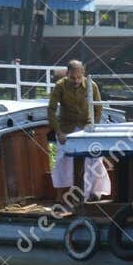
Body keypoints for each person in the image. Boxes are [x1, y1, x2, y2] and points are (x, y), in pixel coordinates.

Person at [48, 60, 109, 200]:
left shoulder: (91, 85)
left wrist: (93, 127)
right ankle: (60, 195)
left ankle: (95, 193)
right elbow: (51, 110)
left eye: (78, 77)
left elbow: (98, 108)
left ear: (83, 73)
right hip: (66, 127)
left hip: (85, 127)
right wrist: (58, 132)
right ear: (67, 74)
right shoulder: (60, 86)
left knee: (95, 158)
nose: (75, 80)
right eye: (72, 77)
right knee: (62, 160)